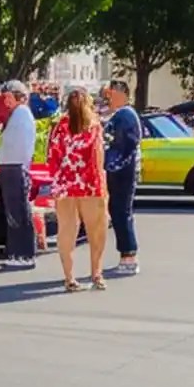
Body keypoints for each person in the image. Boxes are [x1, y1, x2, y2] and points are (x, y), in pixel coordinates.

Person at [47, 87, 108, 291]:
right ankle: (96, 274)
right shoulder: (94, 126)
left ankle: (69, 277)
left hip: (65, 184)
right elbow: (98, 157)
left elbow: (52, 156)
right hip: (89, 183)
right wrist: (102, 186)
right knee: (96, 230)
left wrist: (58, 179)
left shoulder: (60, 126)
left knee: (66, 230)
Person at [0, 80, 36, 269]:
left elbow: (15, 145)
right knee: (16, 212)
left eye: (9, 97)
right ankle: (18, 252)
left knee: (18, 212)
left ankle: (23, 253)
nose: (6, 102)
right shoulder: (19, 114)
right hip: (12, 167)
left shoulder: (21, 114)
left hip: (14, 167)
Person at [103, 79, 142, 275]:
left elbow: (128, 146)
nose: (107, 98)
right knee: (118, 211)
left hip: (122, 171)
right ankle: (127, 254)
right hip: (117, 170)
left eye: (110, 94)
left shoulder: (126, 115)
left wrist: (113, 165)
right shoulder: (119, 115)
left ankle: (129, 255)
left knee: (121, 211)